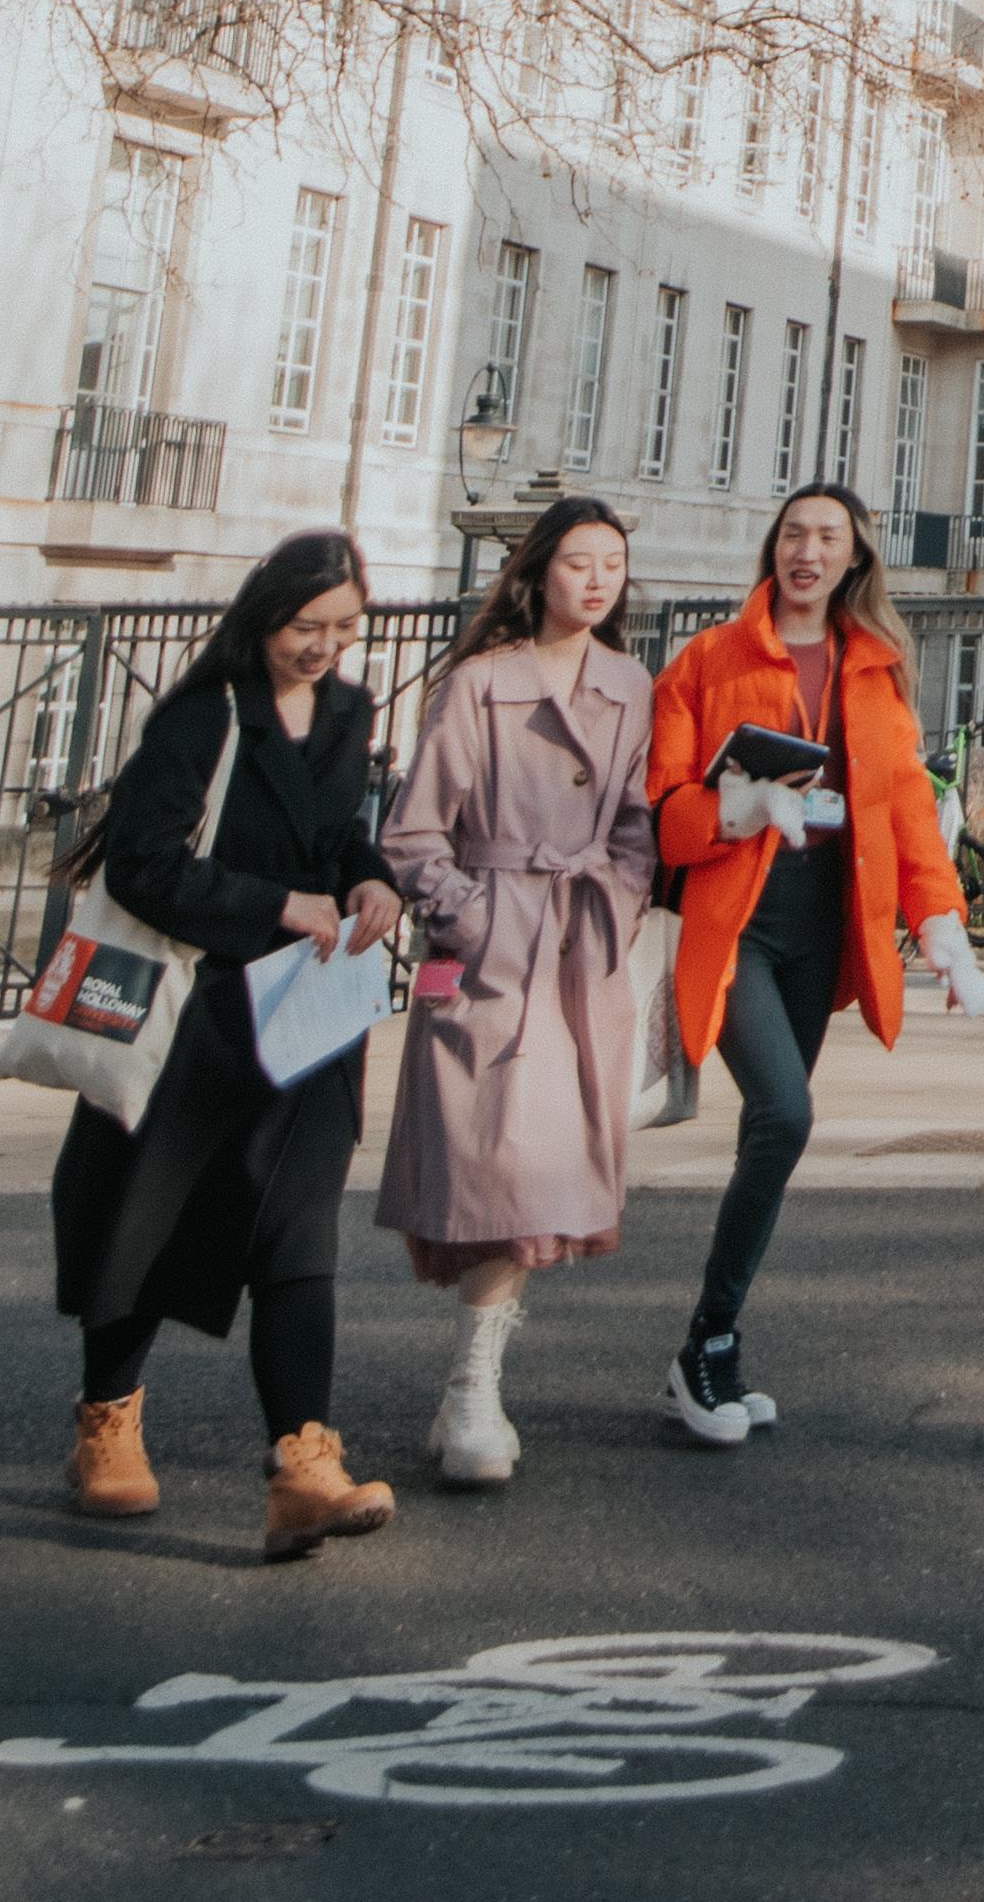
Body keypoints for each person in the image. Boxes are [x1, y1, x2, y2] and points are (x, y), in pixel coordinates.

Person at [51, 529, 406, 1559]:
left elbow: (335, 832)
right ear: (262, 616)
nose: (327, 647)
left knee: (300, 1231)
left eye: (345, 628)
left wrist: (372, 873)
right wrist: (279, 902)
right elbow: (140, 867)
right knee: (141, 1216)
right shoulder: (200, 716)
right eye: (309, 626)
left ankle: (306, 1461)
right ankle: (106, 1419)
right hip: (192, 1011)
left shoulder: (347, 711)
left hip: (304, 1013)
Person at [648, 481, 984, 1448]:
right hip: (740, 919)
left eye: (827, 537)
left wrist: (943, 932)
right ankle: (708, 1340)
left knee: (772, 1135)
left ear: (854, 559)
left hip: (819, 930)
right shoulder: (707, 659)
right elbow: (666, 820)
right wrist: (741, 808)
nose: (807, 550)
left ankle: (706, 1349)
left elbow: (905, 816)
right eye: (794, 533)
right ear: (773, 547)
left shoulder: (875, 668)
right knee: (785, 1114)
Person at [373, 495, 663, 1487]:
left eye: (613, 563)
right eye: (578, 560)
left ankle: (474, 1380)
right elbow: (414, 833)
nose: (596, 578)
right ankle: (470, 1384)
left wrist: (616, 902)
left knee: (536, 1173)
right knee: (485, 1166)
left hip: (580, 948)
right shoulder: (479, 684)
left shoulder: (632, 684)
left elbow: (635, 827)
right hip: (494, 949)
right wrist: (474, 918)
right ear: (536, 570)